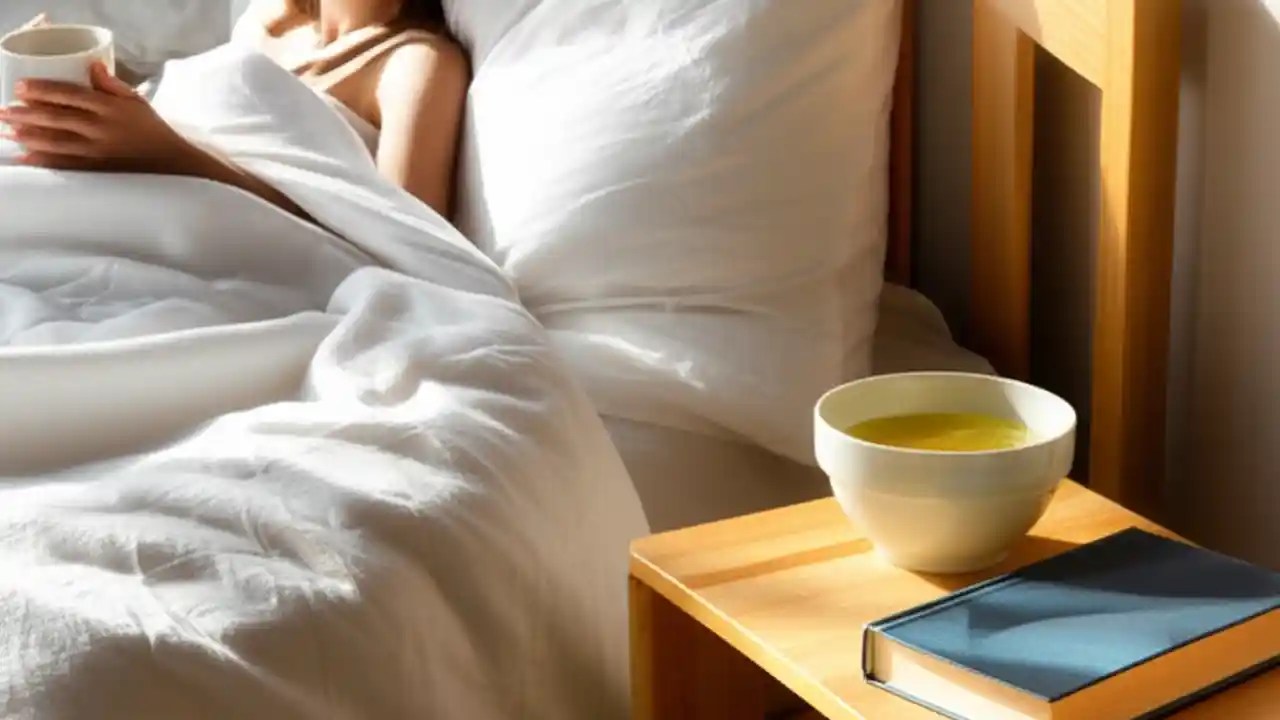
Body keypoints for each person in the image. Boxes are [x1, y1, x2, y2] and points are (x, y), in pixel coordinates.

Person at [0, 1, 468, 218]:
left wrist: (168, 153)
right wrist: (99, 98)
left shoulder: (414, 63)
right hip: (120, 206)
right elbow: (228, 131)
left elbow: (411, 244)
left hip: (204, 259)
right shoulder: (268, 17)